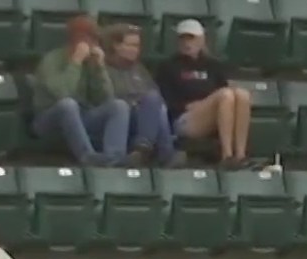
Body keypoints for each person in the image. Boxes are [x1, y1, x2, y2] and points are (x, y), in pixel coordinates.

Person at [153, 19, 253, 168]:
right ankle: (226, 155)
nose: (187, 43)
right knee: (225, 95)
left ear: (201, 40)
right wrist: (187, 106)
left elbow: (226, 93)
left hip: (213, 113)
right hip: (184, 118)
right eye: (183, 38)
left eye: (191, 38)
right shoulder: (168, 66)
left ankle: (240, 155)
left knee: (242, 95)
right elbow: (164, 100)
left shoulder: (213, 65)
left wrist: (205, 104)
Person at [30, 15, 129, 167]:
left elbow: (104, 99)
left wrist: (100, 69)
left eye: (95, 40)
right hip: (48, 120)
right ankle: (87, 156)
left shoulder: (90, 61)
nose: (93, 44)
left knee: (119, 105)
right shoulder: (52, 59)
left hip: (81, 118)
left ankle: (114, 157)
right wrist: (76, 61)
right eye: (89, 39)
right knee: (68, 104)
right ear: (75, 39)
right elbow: (62, 93)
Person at [101, 24, 179, 166]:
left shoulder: (139, 69)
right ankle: (165, 153)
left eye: (137, 46)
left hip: (144, 120)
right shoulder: (104, 68)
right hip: (120, 119)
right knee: (153, 107)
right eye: (131, 45)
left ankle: (143, 148)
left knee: (156, 102)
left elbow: (154, 97)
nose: (135, 50)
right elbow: (106, 98)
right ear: (116, 45)